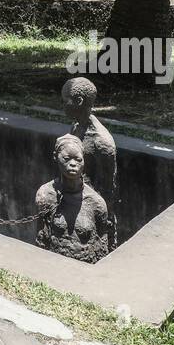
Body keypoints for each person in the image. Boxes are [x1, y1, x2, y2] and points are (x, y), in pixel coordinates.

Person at [35, 134, 109, 264]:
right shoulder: (46, 195)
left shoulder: (96, 203)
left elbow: (102, 248)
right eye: (67, 159)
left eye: (78, 160)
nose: (73, 164)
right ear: (55, 157)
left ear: (84, 161)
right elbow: (41, 239)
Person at [61, 77, 118, 248]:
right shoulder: (76, 128)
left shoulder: (102, 142)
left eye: (65, 101)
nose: (62, 105)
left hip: (91, 210)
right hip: (72, 198)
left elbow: (108, 190)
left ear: (78, 101)